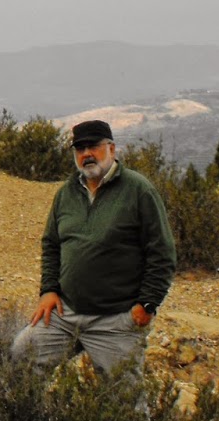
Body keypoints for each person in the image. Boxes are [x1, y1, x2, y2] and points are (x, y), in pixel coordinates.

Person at [12, 119, 176, 378]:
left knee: (124, 400)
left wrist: (147, 304)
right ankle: (32, 418)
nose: (86, 154)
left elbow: (162, 253)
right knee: (23, 357)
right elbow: (52, 244)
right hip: (65, 313)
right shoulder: (66, 193)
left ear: (111, 149)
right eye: (79, 148)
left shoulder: (138, 191)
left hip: (115, 320)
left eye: (94, 146)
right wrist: (49, 290)